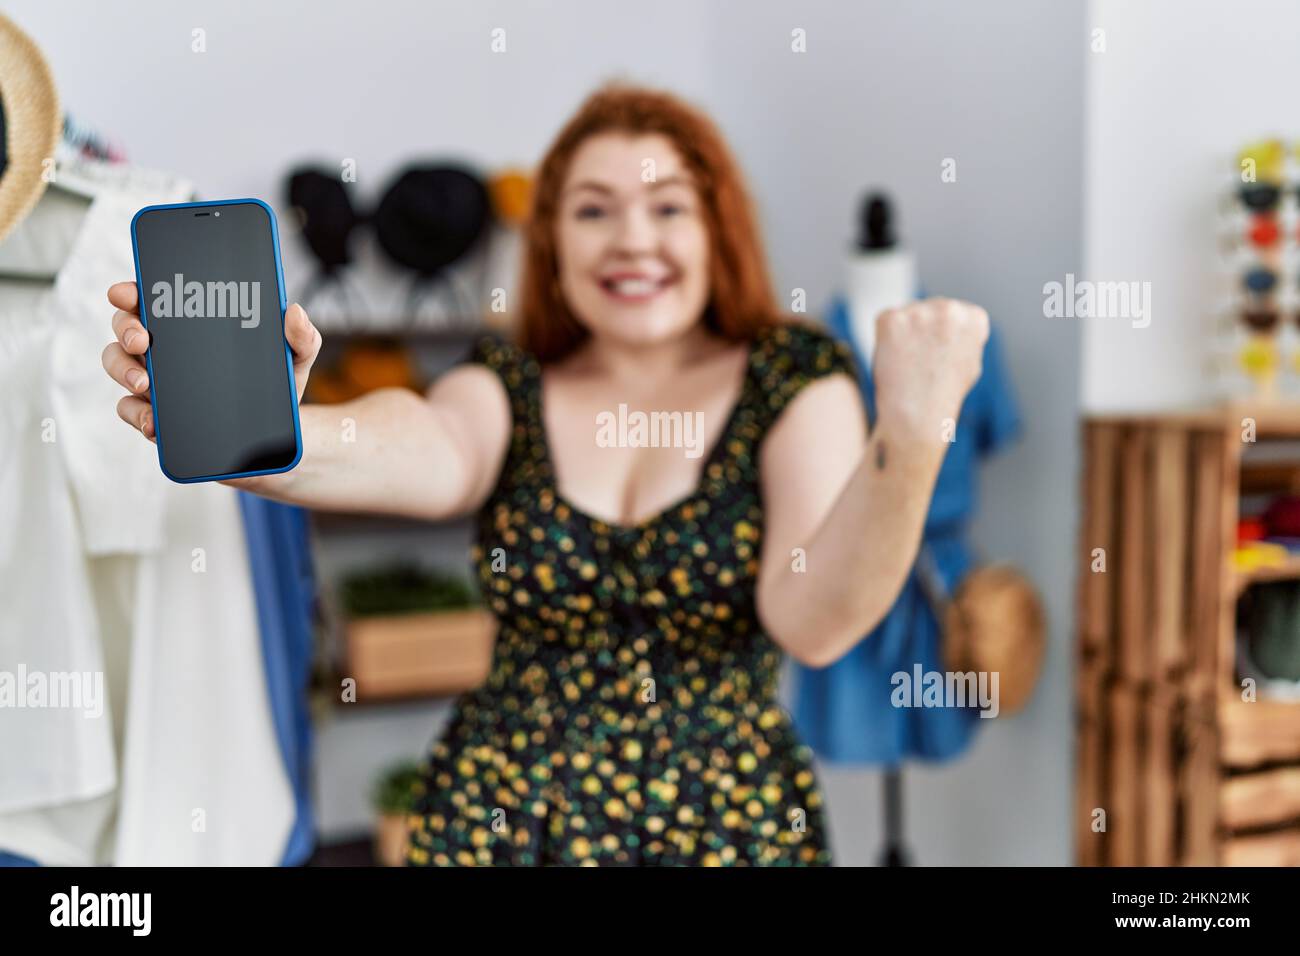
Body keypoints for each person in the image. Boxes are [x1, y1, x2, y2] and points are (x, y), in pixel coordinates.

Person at [100, 85, 988, 866]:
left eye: (668, 208)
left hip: (729, 826)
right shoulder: (512, 378)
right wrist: (281, 433)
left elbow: (814, 622)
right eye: (593, 210)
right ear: (554, 240)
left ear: (719, 228)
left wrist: (911, 437)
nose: (631, 240)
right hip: (501, 818)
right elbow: (428, 444)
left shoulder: (793, 374)